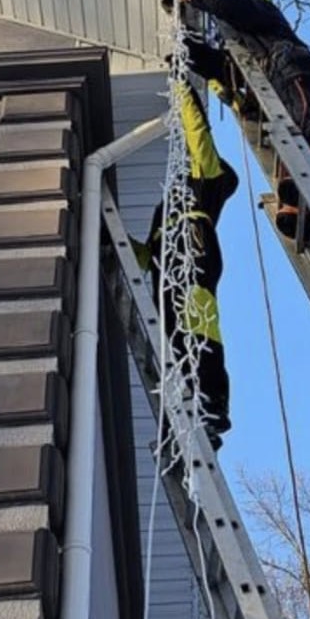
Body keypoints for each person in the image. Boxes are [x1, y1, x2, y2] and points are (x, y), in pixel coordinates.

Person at [167, 0, 310, 239]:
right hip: (273, 74)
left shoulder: (254, 5)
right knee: (285, 137)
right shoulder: (245, 48)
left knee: (305, 125)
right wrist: (184, 52)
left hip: (289, 67)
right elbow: (222, 67)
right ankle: (295, 203)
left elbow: (231, 5)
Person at [136, 78, 238, 447]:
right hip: (167, 267)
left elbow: (198, 134)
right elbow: (146, 256)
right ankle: (187, 413)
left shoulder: (208, 182)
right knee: (177, 338)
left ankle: (211, 405)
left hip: (194, 254)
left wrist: (181, 88)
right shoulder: (167, 209)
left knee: (199, 329)